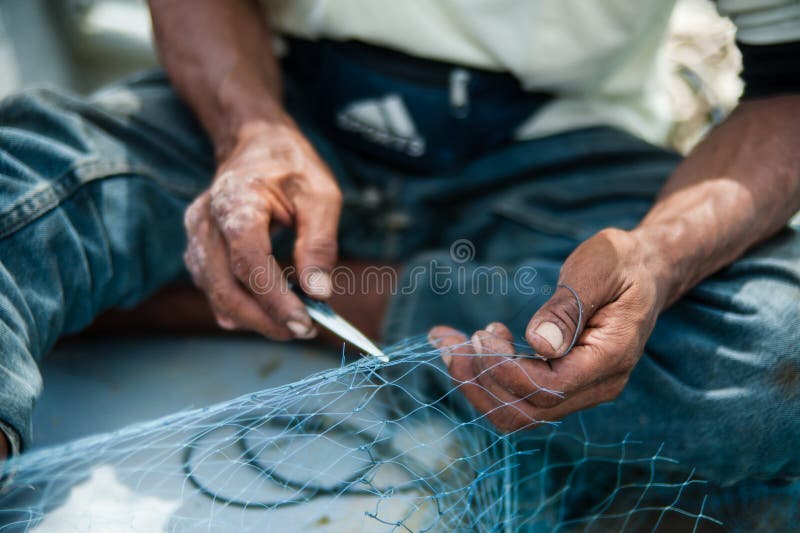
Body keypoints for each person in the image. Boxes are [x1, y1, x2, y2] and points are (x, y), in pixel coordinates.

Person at [0, 0, 798, 525]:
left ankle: (255, 295)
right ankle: (289, 287)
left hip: (558, 155)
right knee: (23, 175)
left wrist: (655, 257)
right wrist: (249, 129)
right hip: (273, 101)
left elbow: (786, 85)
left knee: (775, 344)